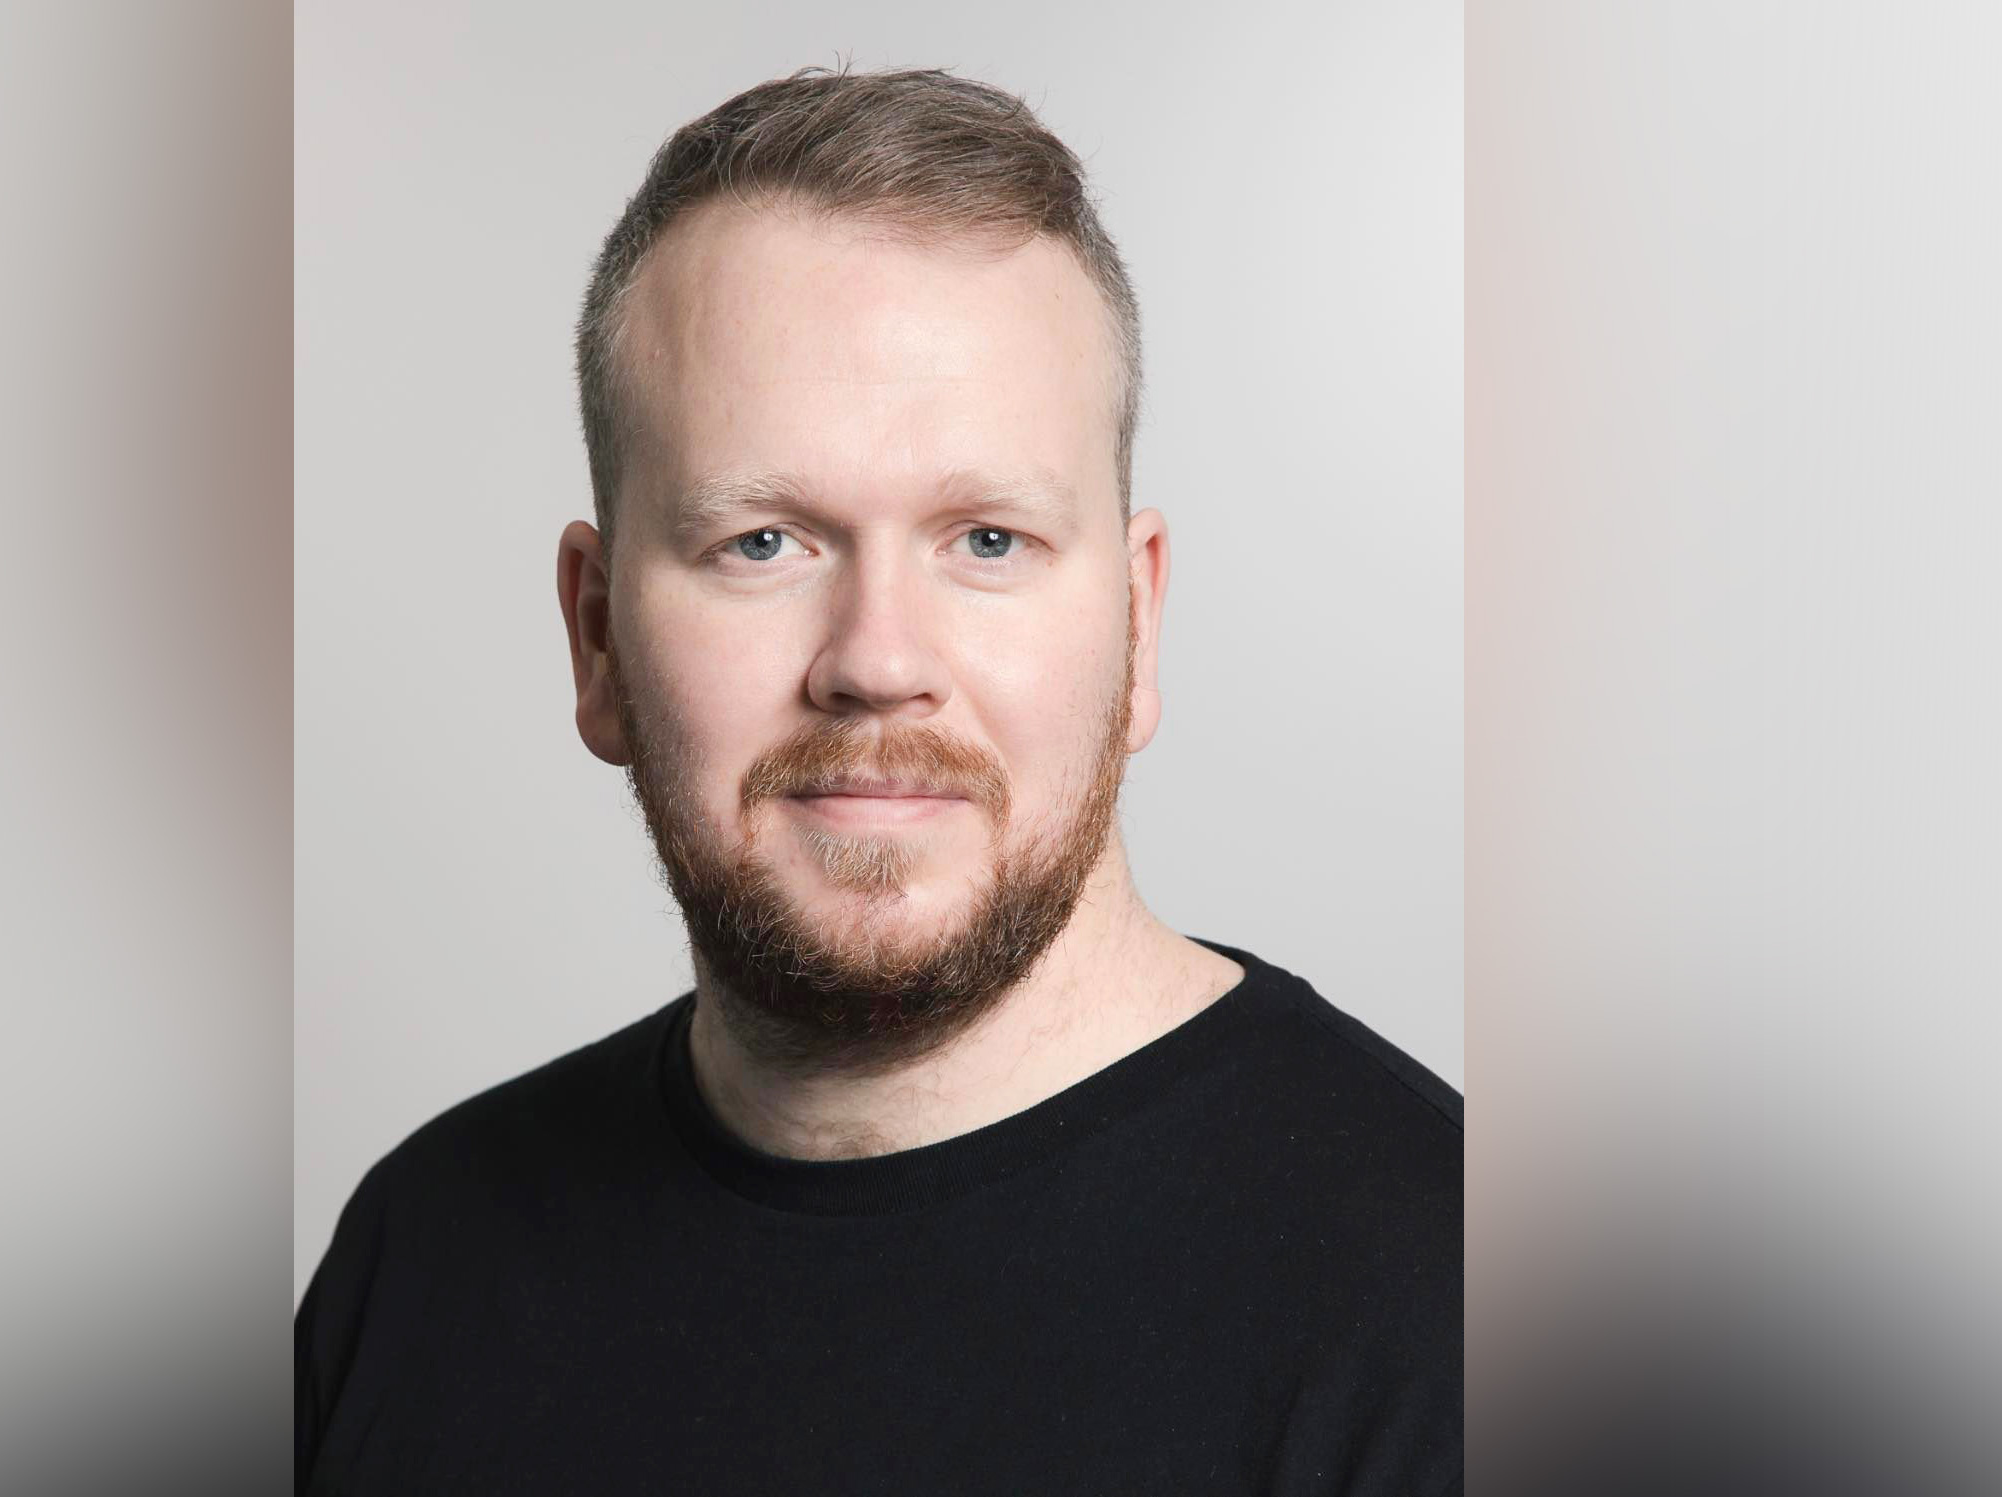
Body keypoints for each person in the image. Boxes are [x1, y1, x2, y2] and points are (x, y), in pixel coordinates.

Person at [296, 66, 1461, 1495]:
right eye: (762, 543)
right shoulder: (420, 1257)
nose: (876, 661)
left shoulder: (1454, 1321)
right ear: (596, 636)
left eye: (986, 541)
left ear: (1138, 621)